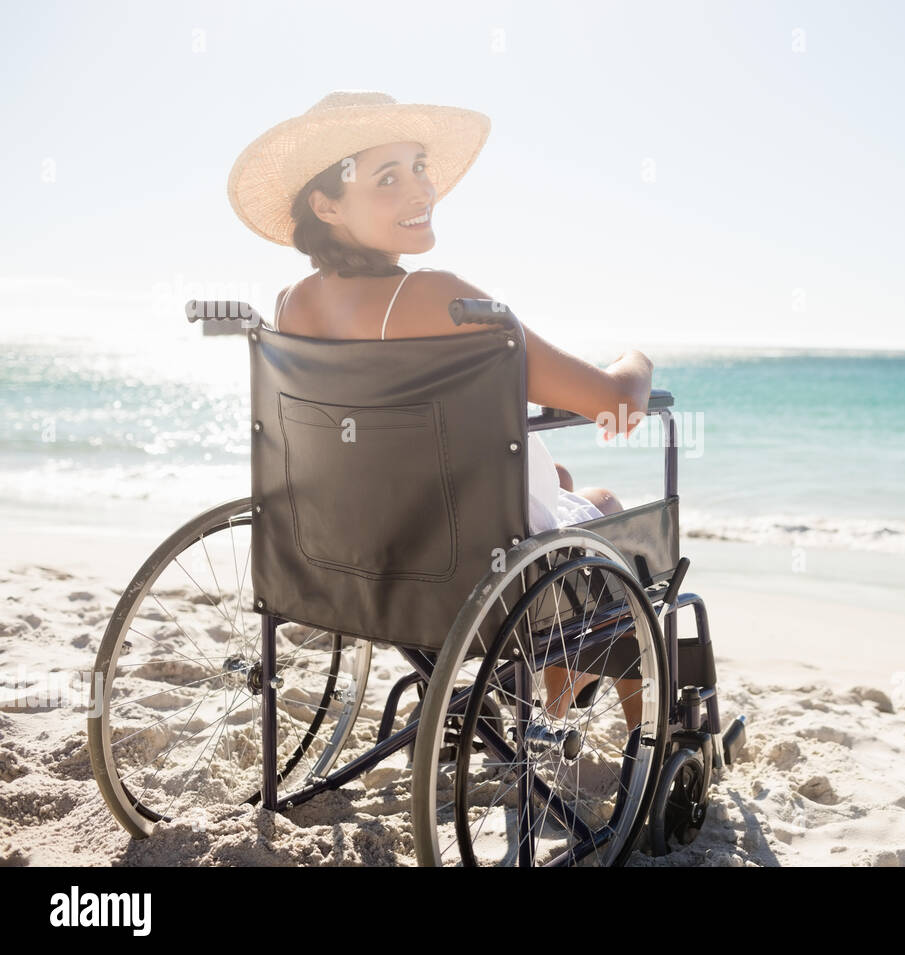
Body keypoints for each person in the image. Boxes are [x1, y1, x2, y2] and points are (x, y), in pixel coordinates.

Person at [227, 90, 651, 728]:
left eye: (420, 166)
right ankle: (609, 727)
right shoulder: (442, 300)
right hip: (459, 570)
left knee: (562, 484)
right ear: (327, 203)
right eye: (387, 178)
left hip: (346, 560)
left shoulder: (290, 307)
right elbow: (614, 407)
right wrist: (637, 361)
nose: (420, 190)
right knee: (614, 518)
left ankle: (551, 709)